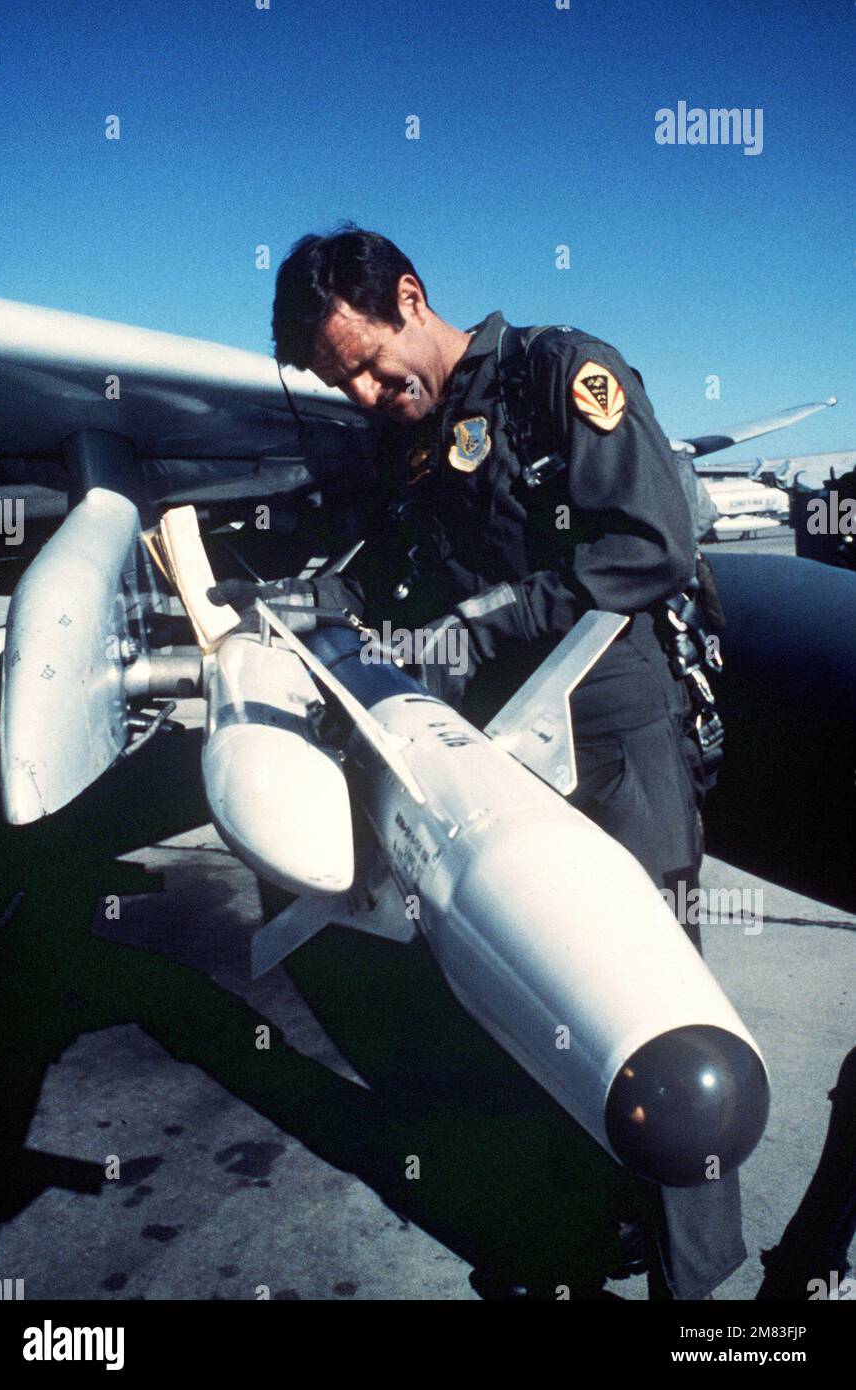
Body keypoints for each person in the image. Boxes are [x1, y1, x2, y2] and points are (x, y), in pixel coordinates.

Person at [214, 225, 746, 1300]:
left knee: (636, 994)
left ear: (411, 296)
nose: (361, 392)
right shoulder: (407, 440)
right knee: (528, 985)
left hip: (612, 727)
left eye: (364, 361)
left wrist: (482, 619)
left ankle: (698, 1291)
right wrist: (312, 604)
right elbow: (396, 578)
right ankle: (585, 1233)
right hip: (500, 743)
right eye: (337, 380)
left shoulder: (557, 373)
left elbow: (649, 544)